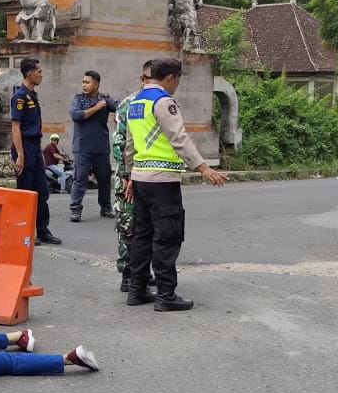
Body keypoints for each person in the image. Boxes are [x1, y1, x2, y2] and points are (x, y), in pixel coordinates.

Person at [122, 58, 226, 312]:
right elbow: (179, 138)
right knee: (167, 236)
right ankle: (166, 295)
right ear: (170, 77)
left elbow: (130, 143)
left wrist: (129, 174)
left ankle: (137, 290)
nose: (177, 84)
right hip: (162, 181)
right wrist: (203, 167)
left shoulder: (135, 103)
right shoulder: (163, 102)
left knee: (142, 237)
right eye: (178, 79)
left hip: (140, 179)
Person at [111, 63, 152, 295]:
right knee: (128, 225)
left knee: (147, 226)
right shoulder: (128, 104)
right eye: (146, 79)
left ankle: (143, 273)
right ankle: (127, 274)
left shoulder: (158, 103)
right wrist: (127, 174)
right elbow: (120, 142)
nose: (149, 83)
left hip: (148, 175)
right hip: (127, 176)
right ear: (141, 79)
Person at [11, 57, 60, 244]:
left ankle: (42, 230)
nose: (41, 74)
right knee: (25, 190)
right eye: (39, 71)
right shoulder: (20, 96)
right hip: (24, 146)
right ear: (29, 73)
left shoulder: (33, 95)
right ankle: (23, 231)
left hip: (35, 146)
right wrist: (20, 155)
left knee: (41, 189)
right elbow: (15, 127)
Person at [69, 70, 116, 222]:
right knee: (80, 178)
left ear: (96, 84)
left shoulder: (105, 99)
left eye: (87, 82)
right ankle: (75, 209)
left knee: (104, 178)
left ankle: (106, 207)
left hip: (101, 147)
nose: (84, 85)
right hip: (82, 147)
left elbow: (120, 107)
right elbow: (76, 115)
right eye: (83, 82)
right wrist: (97, 107)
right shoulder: (78, 99)